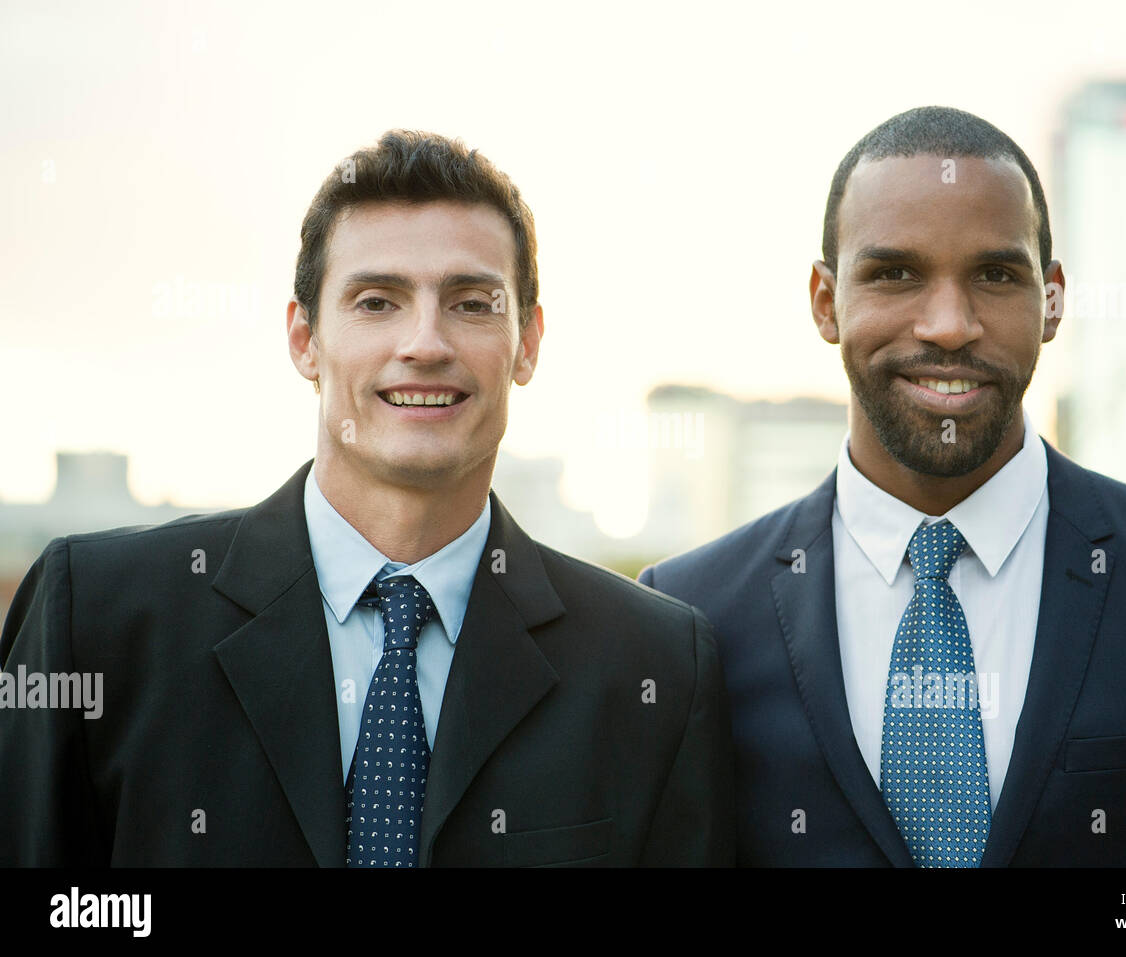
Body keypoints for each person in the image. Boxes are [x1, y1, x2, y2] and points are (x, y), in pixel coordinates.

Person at [0, 130, 734, 867]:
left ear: (528, 342)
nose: (424, 342)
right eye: (377, 300)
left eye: (472, 303)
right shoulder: (94, 619)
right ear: (304, 338)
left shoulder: (658, 666)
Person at [639, 106, 1126, 866]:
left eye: (995, 274)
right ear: (826, 301)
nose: (949, 324)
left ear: (1051, 299)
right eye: (895, 273)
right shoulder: (691, 622)